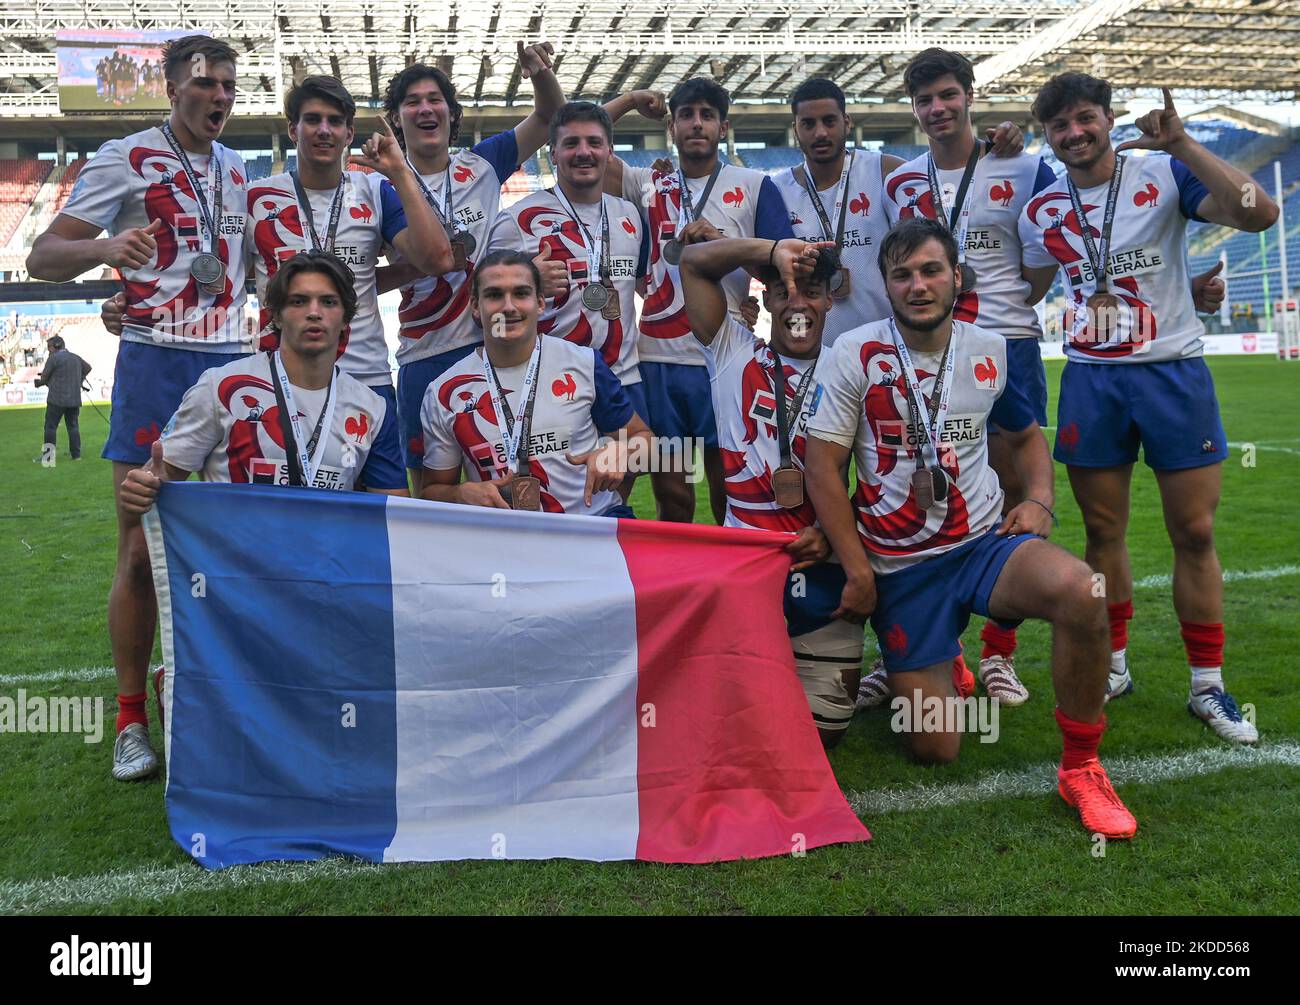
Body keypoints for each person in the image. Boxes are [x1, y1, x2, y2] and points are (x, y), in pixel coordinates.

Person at [804, 218, 1137, 839]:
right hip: (901, 569)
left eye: (931, 270)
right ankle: (945, 653)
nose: (918, 285)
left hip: (982, 544)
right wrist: (856, 569)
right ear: (886, 286)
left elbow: (1025, 436)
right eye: (902, 275)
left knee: (1083, 590)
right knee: (935, 749)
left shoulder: (990, 348)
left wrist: (1039, 498)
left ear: (957, 277)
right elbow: (823, 467)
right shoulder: (855, 352)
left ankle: (1083, 767)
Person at [1019, 74, 1277, 743]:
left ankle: (1207, 684)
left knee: (1193, 531)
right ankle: (1116, 665)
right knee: (1103, 533)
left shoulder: (1163, 170)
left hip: (1172, 374)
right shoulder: (1043, 207)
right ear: (1047, 139)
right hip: (1090, 379)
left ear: (1107, 118)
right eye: (1059, 127)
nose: (1075, 134)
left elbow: (1259, 213)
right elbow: (1021, 291)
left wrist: (1187, 144)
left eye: (1085, 119)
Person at [26, 35, 250, 782]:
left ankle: (196, 696)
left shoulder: (240, 170)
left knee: (227, 548)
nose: (218, 96)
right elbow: (43, 256)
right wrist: (108, 249)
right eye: (205, 83)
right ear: (171, 85)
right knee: (137, 549)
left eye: (227, 85)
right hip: (156, 362)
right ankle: (128, 721)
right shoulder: (125, 155)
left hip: (231, 365)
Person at [680, 234, 864, 745]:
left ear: (830, 298)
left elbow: (881, 480)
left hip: (819, 565)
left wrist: (833, 532)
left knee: (820, 734)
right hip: (745, 566)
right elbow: (693, 262)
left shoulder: (855, 369)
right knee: (735, 725)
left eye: (810, 291)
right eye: (783, 291)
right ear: (766, 300)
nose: (797, 304)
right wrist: (773, 249)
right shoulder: (731, 352)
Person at [602, 77, 795, 524]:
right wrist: (631, 100)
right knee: (674, 496)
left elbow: (781, 271)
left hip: (725, 359)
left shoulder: (753, 184)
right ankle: (683, 580)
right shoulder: (647, 182)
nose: (696, 124)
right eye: (686, 115)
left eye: (707, 115)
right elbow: (580, 136)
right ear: (672, 126)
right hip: (659, 362)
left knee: (731, 488)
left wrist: (721, 242)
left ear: (723, 127)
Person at [386, 45, 565, 490]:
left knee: (511, 482)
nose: (425, 108)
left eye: (435, 99)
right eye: (412, 101)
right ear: (396, 118)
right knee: (433, 493)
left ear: (451, 113)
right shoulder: (380, 184)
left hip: (492, 346)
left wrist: (541, 74)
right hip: (423, 355)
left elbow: (548, 118)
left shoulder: (482, 164)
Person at [120, 251, 408, 511]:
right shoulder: (220, 387)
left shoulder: (372, 408)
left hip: (324, 565)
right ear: (277, 317)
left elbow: (395, 514)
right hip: (235, 565)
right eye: (298, 301)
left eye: (329, 302)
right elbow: (162, 473)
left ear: (346, 318)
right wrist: (146, 483)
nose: (314, 312)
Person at [484, 102, 649, 495]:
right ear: (552, 153)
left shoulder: (630, 215)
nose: (583, 152)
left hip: (624, 375)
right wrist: (528, 279)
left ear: (610, 151)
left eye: (594, 142)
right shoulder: (518, 218)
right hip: (555, 381)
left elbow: (643, 286)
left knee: (623, 476)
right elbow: (486, 310)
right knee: (560, 485)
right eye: (570, 143)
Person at [419, 249, 651, 516]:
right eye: (494, 295)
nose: (508, 307)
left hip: (592, 529)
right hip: (505, 543)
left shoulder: (584, 363)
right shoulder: (444, 391)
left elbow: (647, 443)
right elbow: (431, 492)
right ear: (475, 306)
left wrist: (622, 451)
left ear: (540, 303)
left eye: (521, 293)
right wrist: (459, 494)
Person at [35, 335, 92, 462]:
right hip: (74, 399)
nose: (48, 350)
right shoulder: (75, 357)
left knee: (50, 427)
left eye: (49, 347)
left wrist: (38, 383)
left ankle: (48, 457)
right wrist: (79, 379)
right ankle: (76, 455)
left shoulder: (53, 358)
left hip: (56, 399)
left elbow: (44, 378)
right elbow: (88, 368)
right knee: (73, 426)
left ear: (56, 346)